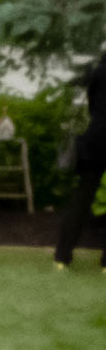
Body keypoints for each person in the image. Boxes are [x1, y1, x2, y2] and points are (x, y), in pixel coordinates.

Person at [53, 46, 106, 271]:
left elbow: (93, 103)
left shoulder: (99, 71)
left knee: (82, 195)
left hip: (95, 138)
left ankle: (62, 257)